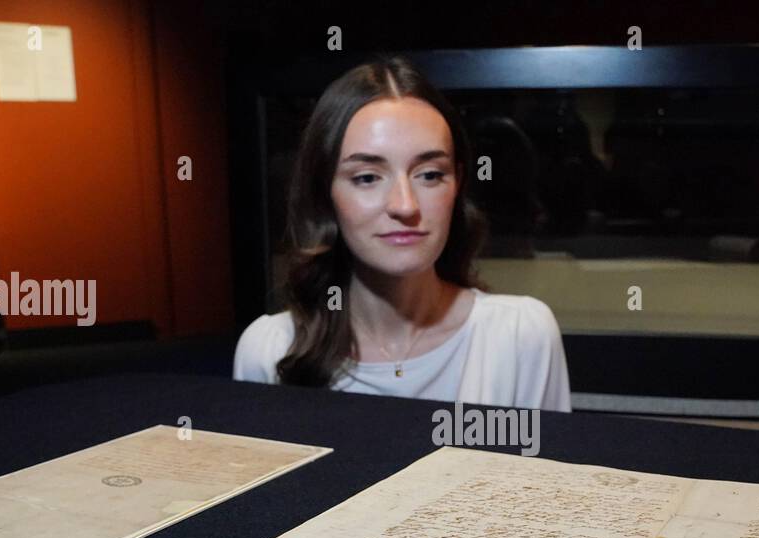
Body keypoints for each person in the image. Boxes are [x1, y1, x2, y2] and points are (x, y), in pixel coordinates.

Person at [233, 55, 572, 412]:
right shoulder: (270, 350)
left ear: (457, 184)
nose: (405, 205)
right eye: (367, 177)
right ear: (325, 192)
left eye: (429, 174)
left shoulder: (519, 336)